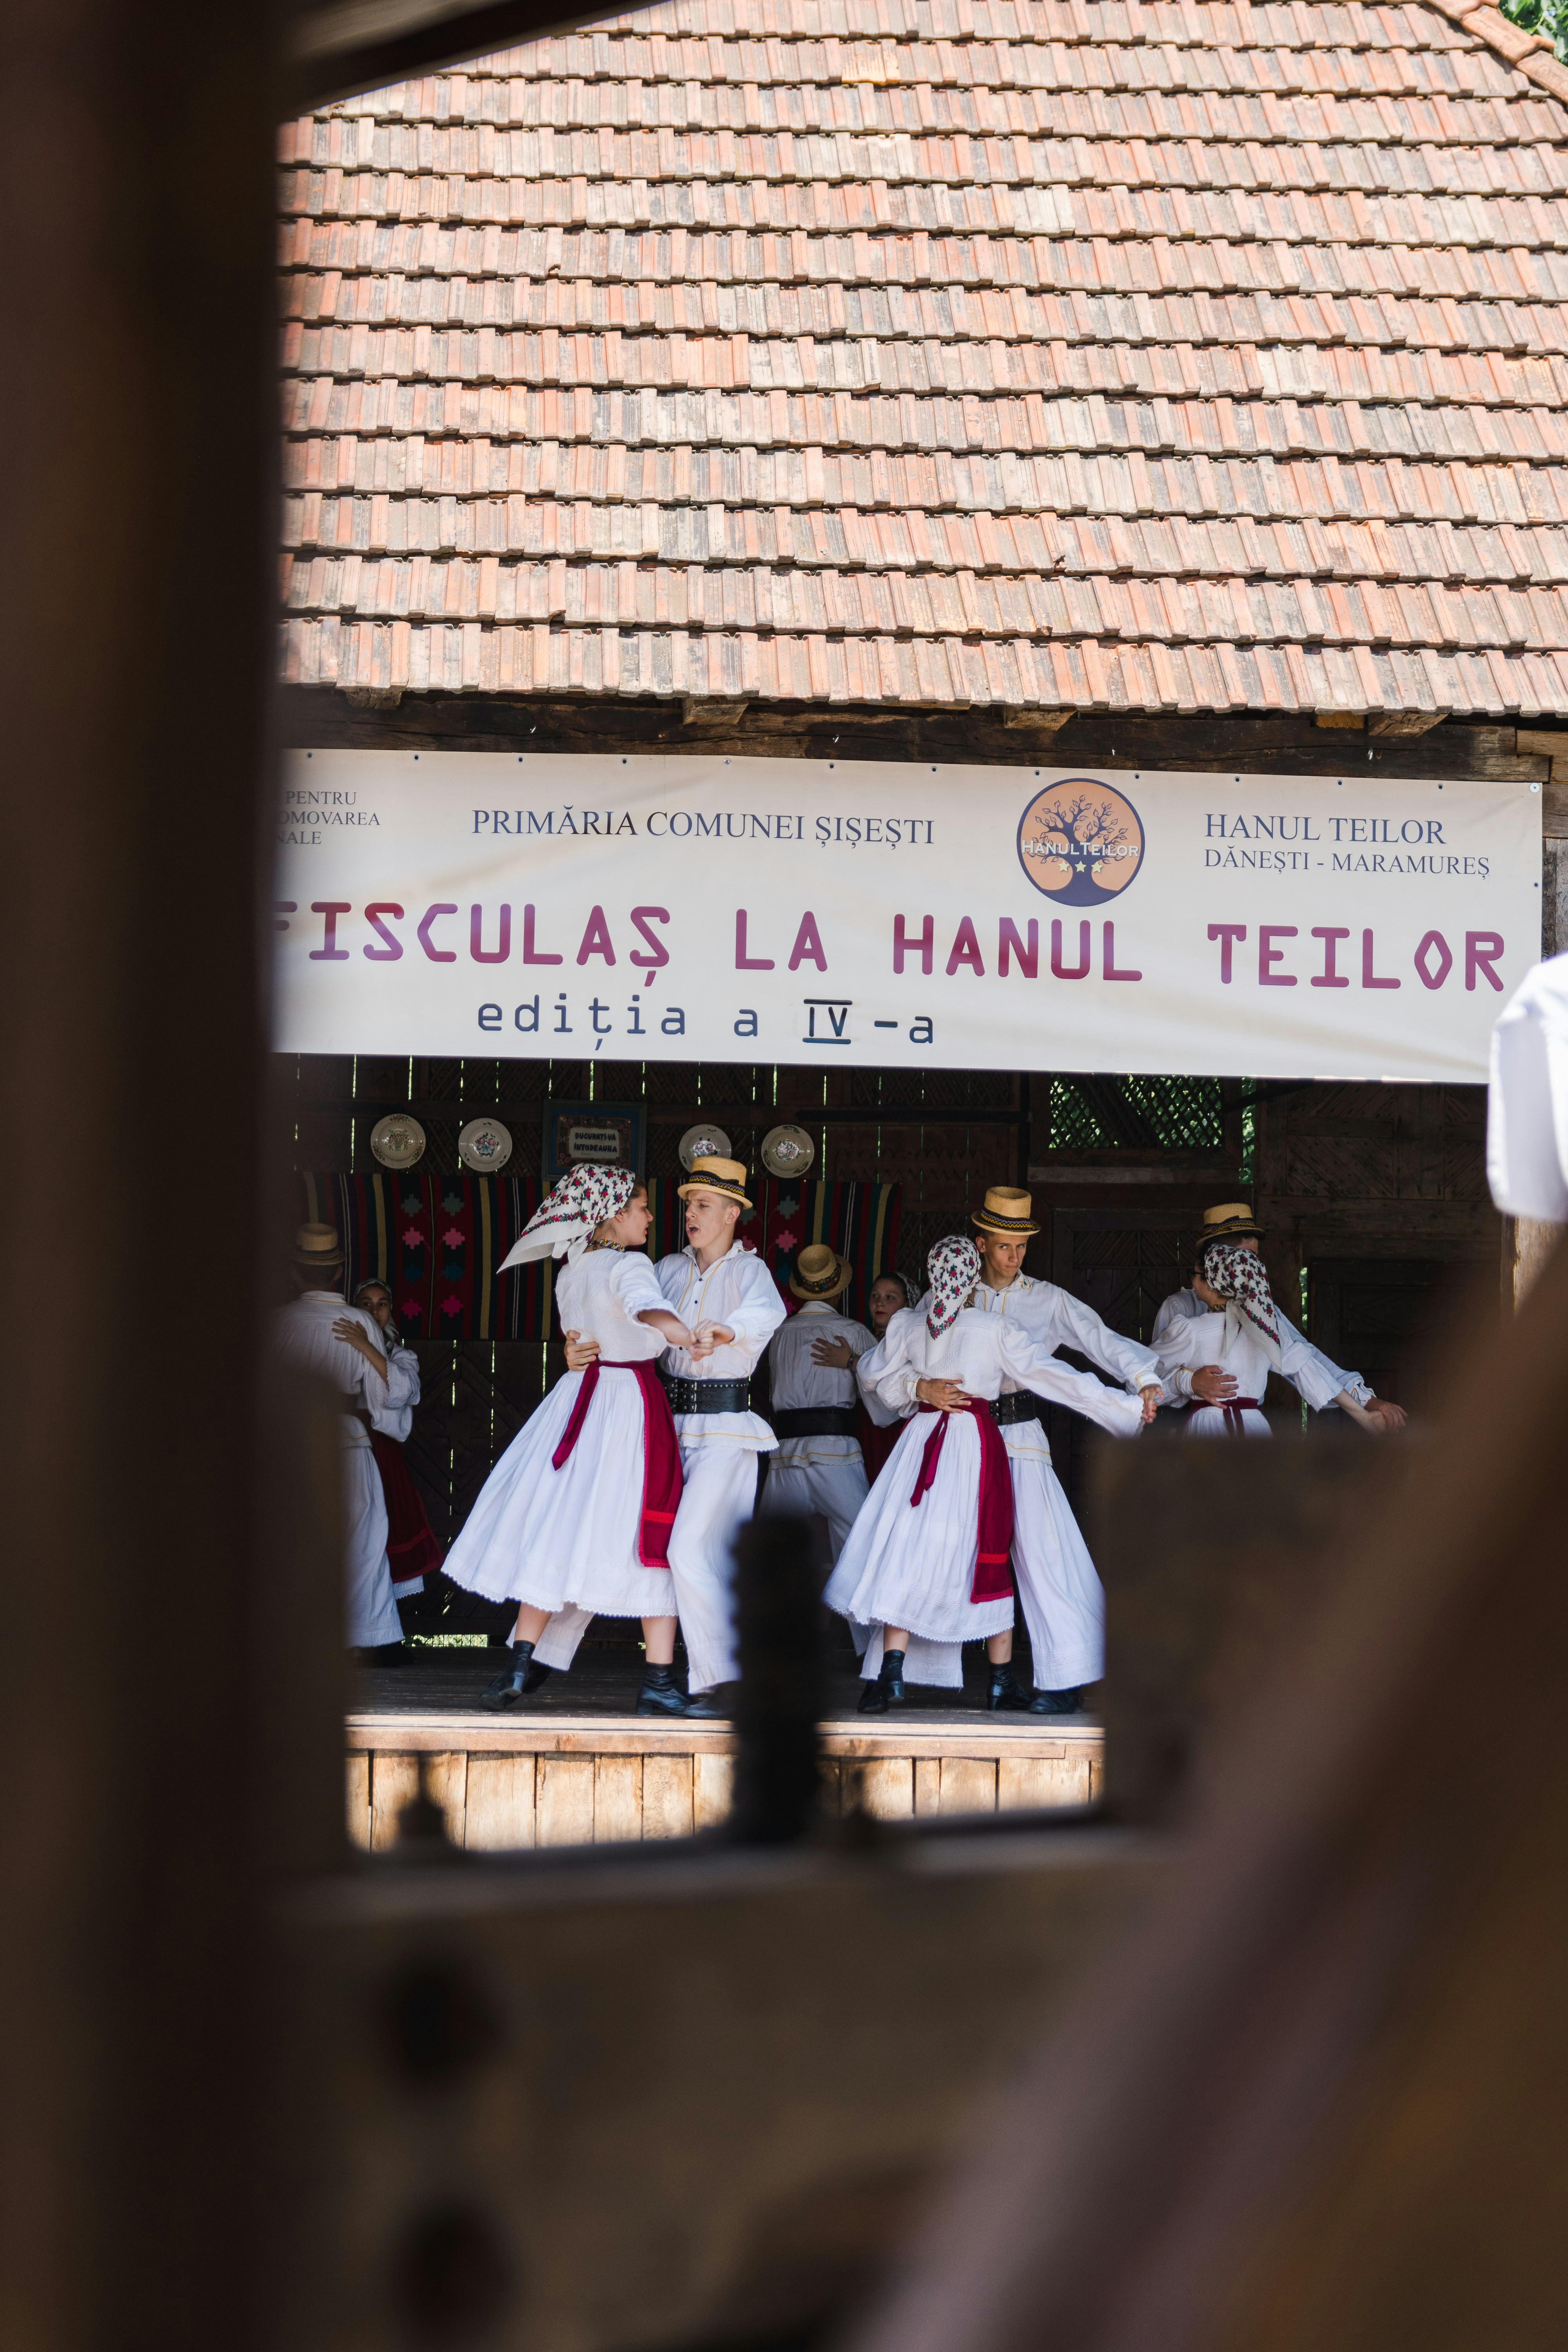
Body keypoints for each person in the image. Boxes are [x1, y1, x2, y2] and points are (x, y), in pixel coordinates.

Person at [825, 1234, 1145, 1715]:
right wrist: (1124, 1407)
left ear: (932, 1280)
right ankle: (999, 1680)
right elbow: (1054, 1376)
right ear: (973, 1274)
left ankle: (889, 1674)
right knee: (990, 1550)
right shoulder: (993, 1329)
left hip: (924, 1445)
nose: (1014, 1255)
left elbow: (872, 1375)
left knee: (912, 1547)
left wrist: (918, 1386)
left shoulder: (910, 1326)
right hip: (975, 1443)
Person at [441, 1165, 697, 1717]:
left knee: (561, 1521)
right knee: (649, 1528)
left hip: (579, 1398)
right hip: (626, 1403)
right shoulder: (631, 1264)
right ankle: (658, 1677)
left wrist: (583, 1347)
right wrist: (685, 1335)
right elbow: (642, 1307)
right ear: (611, 1213)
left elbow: (578, 1335)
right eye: (643, 1207)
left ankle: (520, 1660)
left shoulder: (573, 1269)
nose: (651, 1217)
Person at [557, 1154, 786, 1717]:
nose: (691, 1214)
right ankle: (556, 1654)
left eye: (704, 1205)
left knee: (688, 1550)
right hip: (663, 1425)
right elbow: (621, 1316)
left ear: (733, 1214)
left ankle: (721, 1680)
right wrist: (575, 1346)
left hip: (727, 1431)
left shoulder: (749, 1273)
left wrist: (729, 1329)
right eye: (688, 1204)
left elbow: (767, 1313)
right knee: (660, 1546)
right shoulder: (664, 1270)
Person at [929, 1186, 1164, 1715]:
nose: (1014, 1256)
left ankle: (1066, 1675)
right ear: (981, 1244)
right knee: (942, 1543)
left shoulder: (1048, 1300)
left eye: (1022, 1246)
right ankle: (915, 1670)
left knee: (1043, 1552)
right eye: (1004, 1245)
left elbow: (1099, 1338)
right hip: (961, 1436)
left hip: (1019, 1435)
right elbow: (911, 1347)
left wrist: (1143, 1379)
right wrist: (917, 1391)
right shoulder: (949, 1297)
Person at [1152, 1204, 1407, 1434]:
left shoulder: (1262, 1316)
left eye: (1254, 1262)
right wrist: (1189, 1382)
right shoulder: (1179, 1309)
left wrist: (1366, 1406)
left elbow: (1305, 1361)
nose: (1250, 1271)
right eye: (1244, 1260)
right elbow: (1148, 1377)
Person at [272, 1222, 403, 1656]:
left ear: (295, 1273)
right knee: (363, 1542)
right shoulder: (361, 1322)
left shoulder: (279, 1323)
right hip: (348, 1443)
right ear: (337, 1273)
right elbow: (385, 1396)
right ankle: (365, 1640)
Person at [759, 1243, 877, 1562]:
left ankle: (768, 1612)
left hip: (785, 1454)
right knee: (861, 1542)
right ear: (839, 1292)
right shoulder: (853, 1332)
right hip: (836, 1451)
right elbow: (882, 1400)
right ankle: (854, 1612)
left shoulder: (780, 1334)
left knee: (773, 1551)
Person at [347, 1278, 443, 1606]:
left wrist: (367, 1347)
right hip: (343, 1443)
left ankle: (383, 1633)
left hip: (381, 1451)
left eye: (383, 1304)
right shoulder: (340, 1348)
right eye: (366, 1304)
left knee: (387, 1530)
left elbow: (402, 1393)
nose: (375, 1311)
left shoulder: (402, 1356)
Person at [848, 1272, 921, 1483]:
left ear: (907, 1304)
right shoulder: (858, 1336)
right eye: (875, 1296)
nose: (880, 1303)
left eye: (891, 1297)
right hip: (864, 1426)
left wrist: (851, 1361)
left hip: (897, 1426)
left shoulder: (911, 1340)